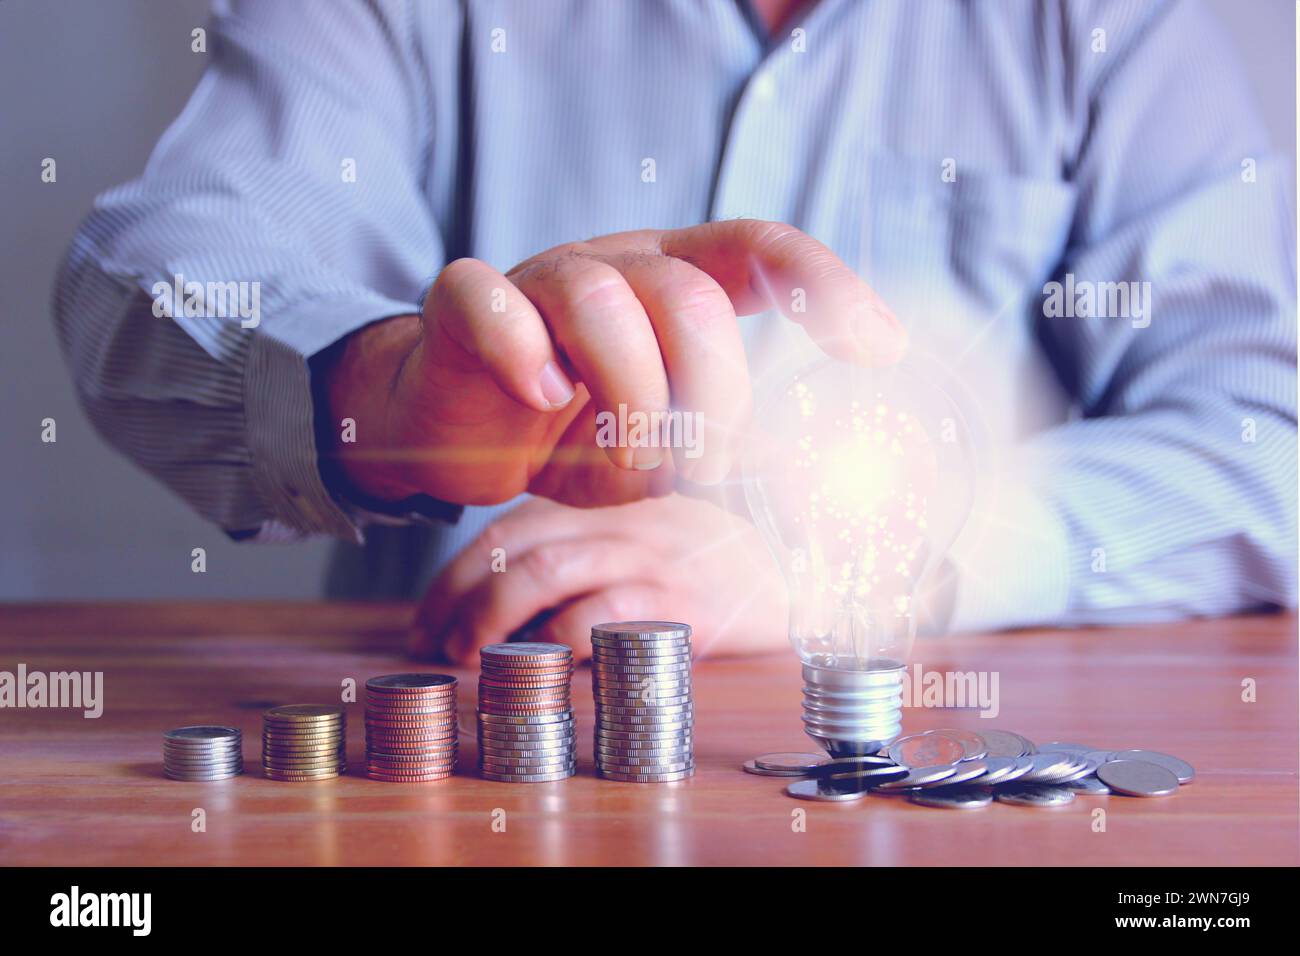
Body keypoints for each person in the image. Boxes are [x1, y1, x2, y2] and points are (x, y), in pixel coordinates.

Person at [54, 0, 1297, 662]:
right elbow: (151, 273)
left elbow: (1265, 443)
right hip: (464, 777)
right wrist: (383, 396)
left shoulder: (1117, 22)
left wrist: (847, 556)